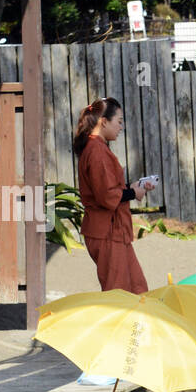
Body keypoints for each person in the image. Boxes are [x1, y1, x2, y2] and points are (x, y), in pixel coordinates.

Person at [74, 98, 155, 294]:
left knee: (136, 287)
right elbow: (107, 196)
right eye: (118, 121)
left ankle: (134, 325)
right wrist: (133, 192)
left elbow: (107, 189)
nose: (121, 126)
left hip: (111, 230)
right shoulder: (96, 151)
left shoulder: (96, 148)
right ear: (103, 121)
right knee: (119, 293)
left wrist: (131, 187)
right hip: (107, 232)